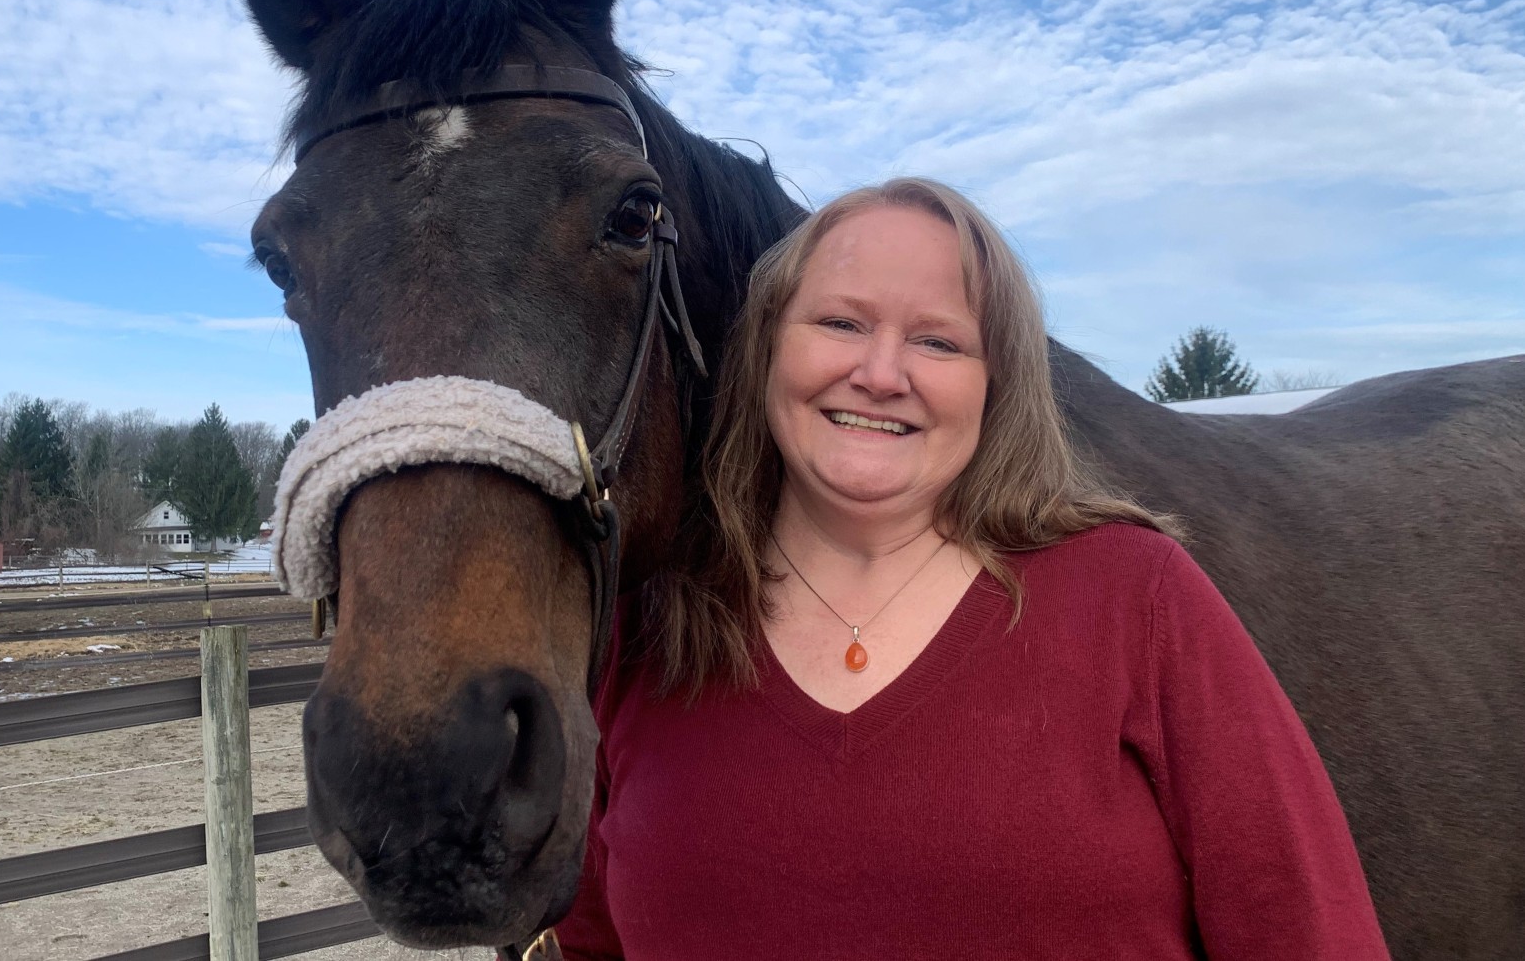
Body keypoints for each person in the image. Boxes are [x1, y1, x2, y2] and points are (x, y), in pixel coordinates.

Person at [554, 178, 1388, 959]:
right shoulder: (646, 629)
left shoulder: (1139, 598)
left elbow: (1314, 934)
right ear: (766, 345)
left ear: (996, 383)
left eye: (938, 341)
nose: (881, 374)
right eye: (840, 323)